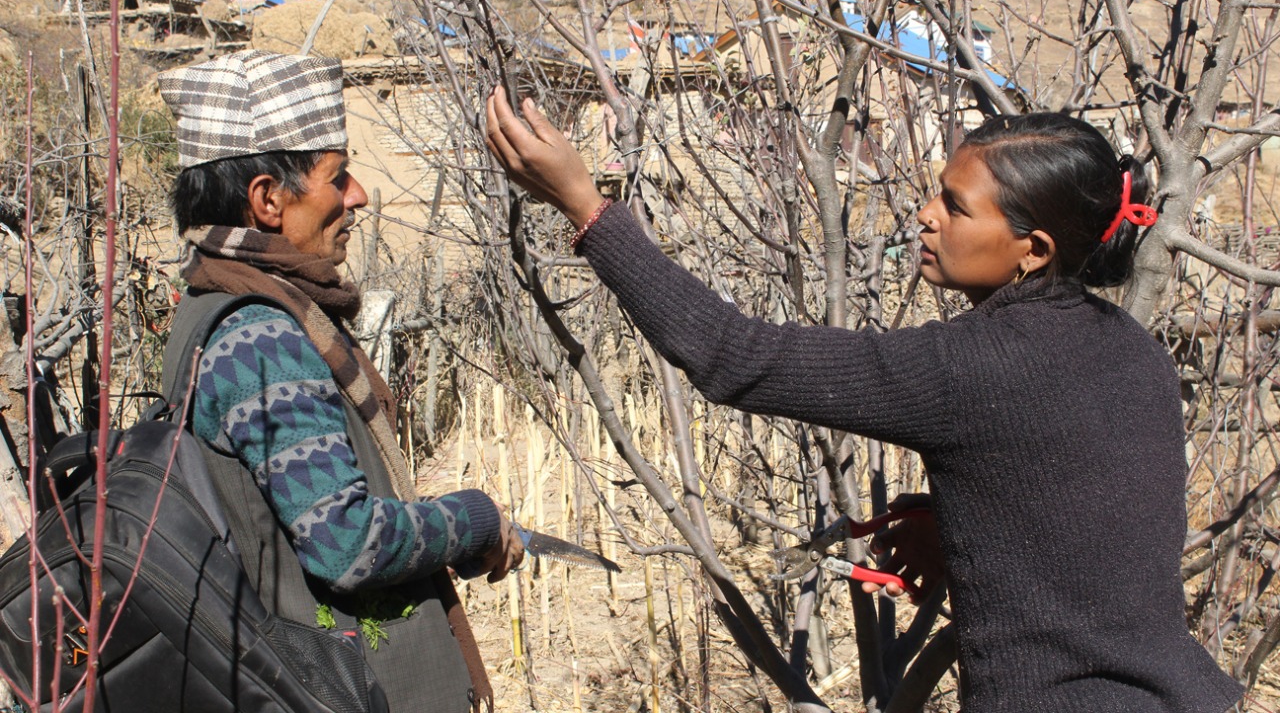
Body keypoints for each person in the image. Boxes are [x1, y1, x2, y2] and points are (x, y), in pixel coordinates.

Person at [485, 87, 1244, 712]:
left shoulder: (968, 367)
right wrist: (973, 528)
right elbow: (1104, 517)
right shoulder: (1135, 352)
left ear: (1033, 250)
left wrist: (586, 208)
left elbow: (732, 356)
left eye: (956, 206)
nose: (926, 214)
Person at [159, 50, 523, 713]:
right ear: (268, 200)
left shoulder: (216, 301)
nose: (356, 196)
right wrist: (474, 521)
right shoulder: (260, 337)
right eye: (337, 176)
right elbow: (345, 542)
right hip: (340, 690)